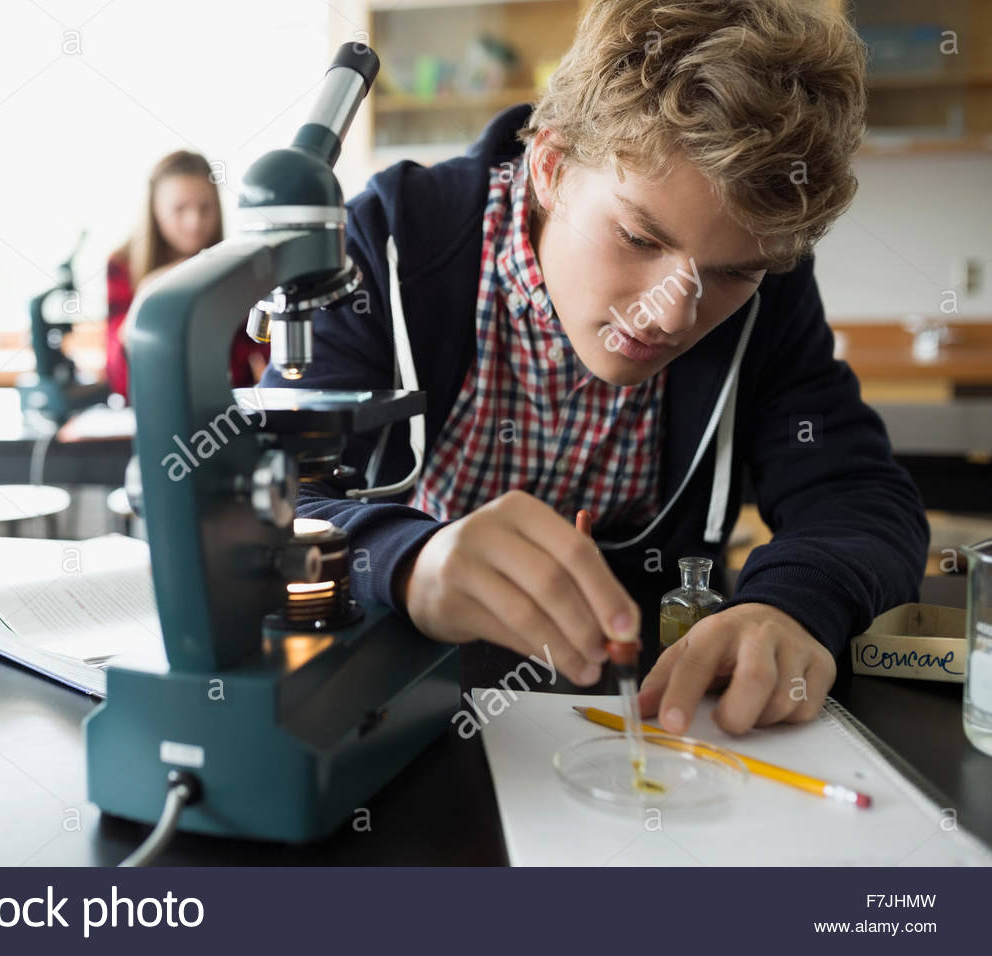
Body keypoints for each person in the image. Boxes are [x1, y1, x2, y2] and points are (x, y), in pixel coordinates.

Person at [259, 0, 928, 736]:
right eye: (640, 237)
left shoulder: (769, 288)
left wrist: (796, 603)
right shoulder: (387, 244)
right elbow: (263, 505)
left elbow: (858, 496)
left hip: (657, 722)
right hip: (409, 713)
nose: (674, 314)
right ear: (550, 167)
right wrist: (405, 559)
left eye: (731, 273)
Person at [106, 150, 268, 398]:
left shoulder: (234, 265)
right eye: (179, 209)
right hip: (158, 408)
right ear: (155, 209)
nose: (194, 222)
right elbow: (120, 380)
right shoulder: (122, 266)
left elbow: (265, 350)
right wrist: (149, 291)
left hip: (227, 412)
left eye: (205, 208)